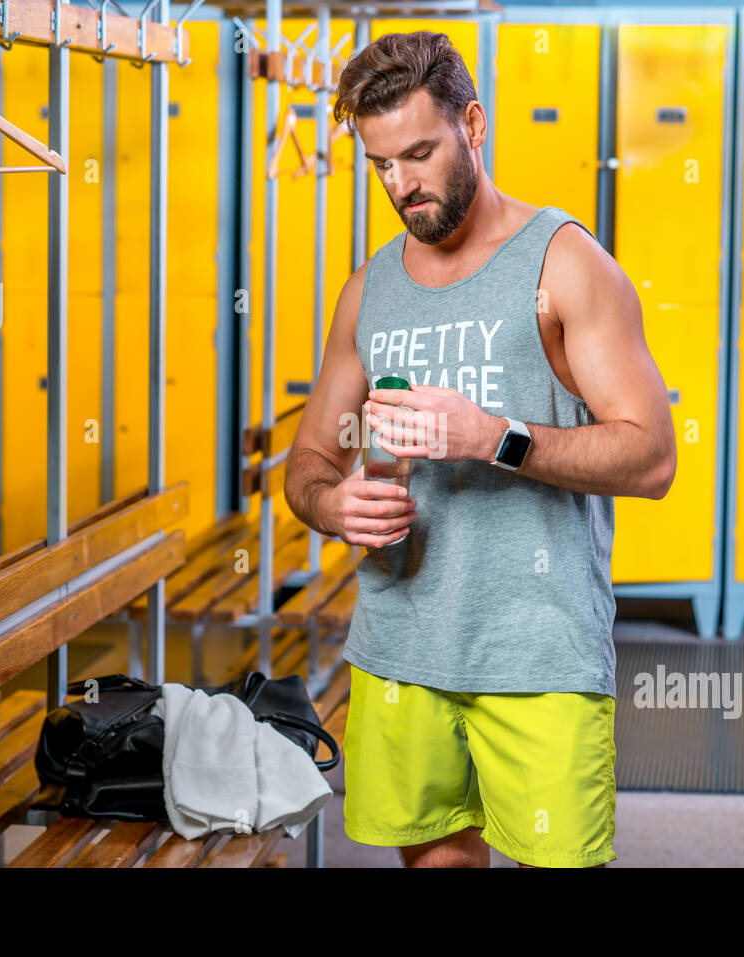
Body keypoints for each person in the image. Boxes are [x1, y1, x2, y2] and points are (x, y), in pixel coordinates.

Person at [283, 30, 676, 868]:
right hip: (401, 649)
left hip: (539, 653)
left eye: (419, 154)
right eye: (381, 163)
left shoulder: (565, 265)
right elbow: (309, 460)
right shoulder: (370, 288)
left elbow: (652, 459)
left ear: (474, 123)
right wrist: (332, 503)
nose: (401, 184)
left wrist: (495, 437)